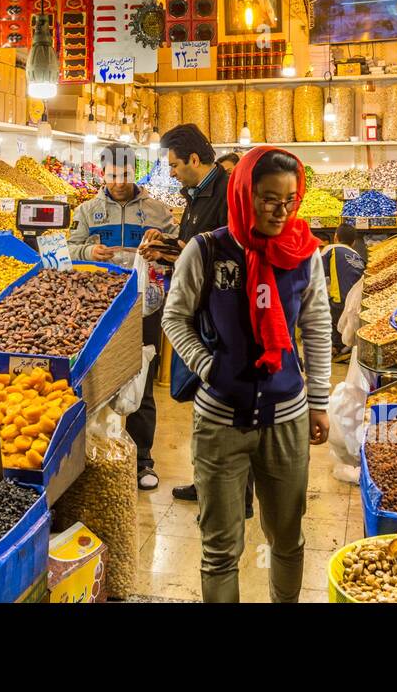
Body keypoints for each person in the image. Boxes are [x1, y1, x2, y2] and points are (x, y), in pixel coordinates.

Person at [162, 147, 332, 603]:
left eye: (290, 200)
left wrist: (319, 401)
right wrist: (207, 365)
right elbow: (175, 317)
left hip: (287, 416)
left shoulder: (303, 254)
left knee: (288, 536)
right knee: (220, 546)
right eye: (268, 199)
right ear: (243, 195)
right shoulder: (207, 250)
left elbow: (317, 325)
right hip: (220, 421)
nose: (281, 211)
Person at [139, 123, 253, 515]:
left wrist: (177, 252)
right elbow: (195, 247)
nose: (171, 172)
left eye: (174, 165)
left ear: (192, 159)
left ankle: (235, 497)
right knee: (208, 405)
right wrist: (167, 247)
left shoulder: (228, 193)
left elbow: (229, 252)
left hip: (227, 315)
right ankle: (210, 483)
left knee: (229, 406)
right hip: (204, 311)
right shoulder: (196, 194)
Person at [69, 145, 174, 491]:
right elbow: (69, 249)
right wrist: (89, 251)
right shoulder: (87, 211)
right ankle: (93, 456)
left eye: (125, 174)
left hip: (145, 306)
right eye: (112, 175)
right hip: (99, 308)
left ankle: (142, 460)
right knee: (96, 381)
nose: (118, 182)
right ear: (102, 174)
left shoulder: (157, 210)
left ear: (134, 172)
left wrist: (162, 245)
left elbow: (179, 250)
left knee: (142, 381)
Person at [322, 223, 366, 358]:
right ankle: (343, 347)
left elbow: (316, 272)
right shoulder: (358, 256)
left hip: (338, 301)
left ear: (335, 237)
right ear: (353, 243)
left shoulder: (330, 249)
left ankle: (335, 348)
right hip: (356, 303)